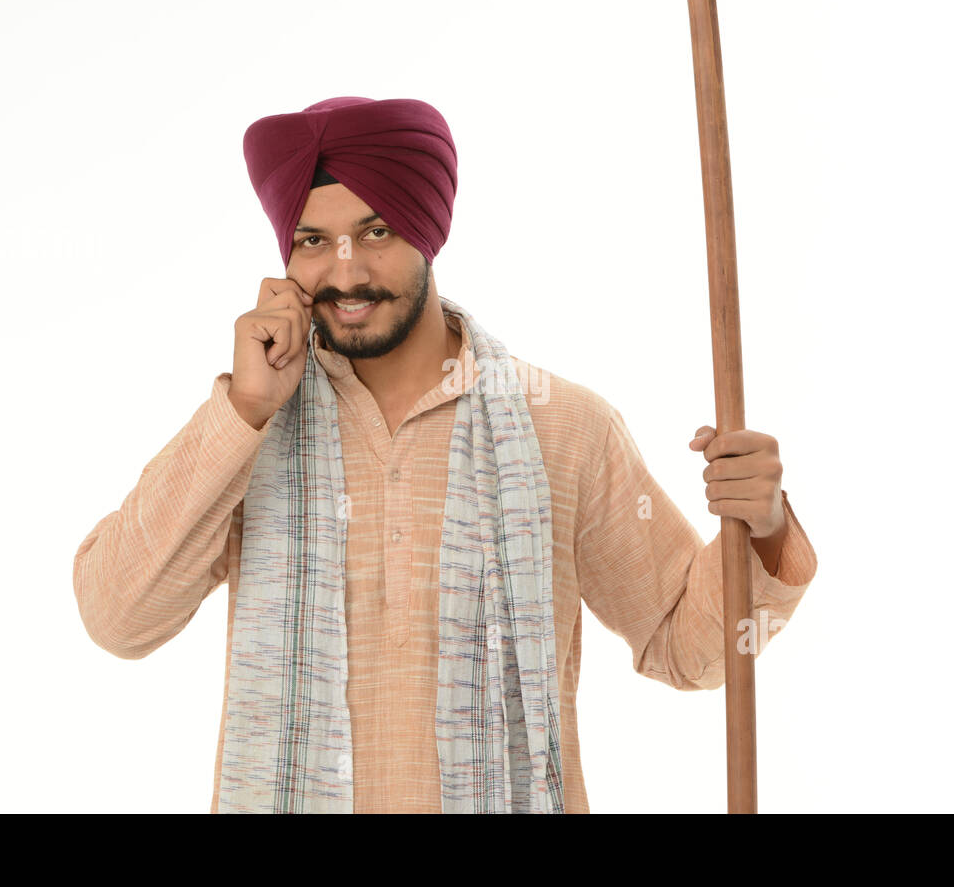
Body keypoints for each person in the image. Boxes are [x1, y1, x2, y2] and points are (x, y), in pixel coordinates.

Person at [72, 96, 818, 814]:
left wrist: (764, 527)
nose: (345, 271)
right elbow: (116, 618)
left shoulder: (562, 427)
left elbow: (688, 646)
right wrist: (244, 409)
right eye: (312, 241)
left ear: (428, 232)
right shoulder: (250, 428)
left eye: (376, 231)